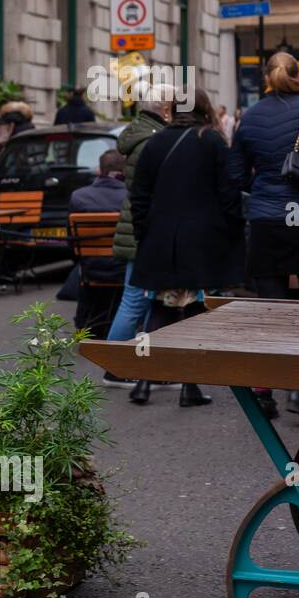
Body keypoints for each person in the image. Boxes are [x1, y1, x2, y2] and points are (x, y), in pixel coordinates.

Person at [228, 52, 299, 419]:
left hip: (266, 219)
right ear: (297, 76)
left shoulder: (250, 116)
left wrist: (264, 186)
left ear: (266, 78)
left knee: (270, 308)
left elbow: (235, 175)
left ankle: (264, 391)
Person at [128, 89, 245, 407]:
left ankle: (142, 381)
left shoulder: (156, 143)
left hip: (162, 241)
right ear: (205, 108)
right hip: (202, 241)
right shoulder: (213, 141)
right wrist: (232, 230)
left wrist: (144, 235)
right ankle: (189, 386)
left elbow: (139, 197)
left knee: (160, 309)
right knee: (194, 313)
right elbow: (229, 193)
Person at [100, 84, 171, 387]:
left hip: (137, 227)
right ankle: (116, 366)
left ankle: (126, 365)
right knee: (136, 299)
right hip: (145, 229)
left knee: (139, 298)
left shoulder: (137, 134)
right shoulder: (151, 141)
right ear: (165, 109)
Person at [68, 149, 129, 336]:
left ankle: (83, 322)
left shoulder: (79, 196)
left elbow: (71, 242)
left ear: (99, 169)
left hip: (90, 268)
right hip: (124, 269)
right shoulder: (131, 196)